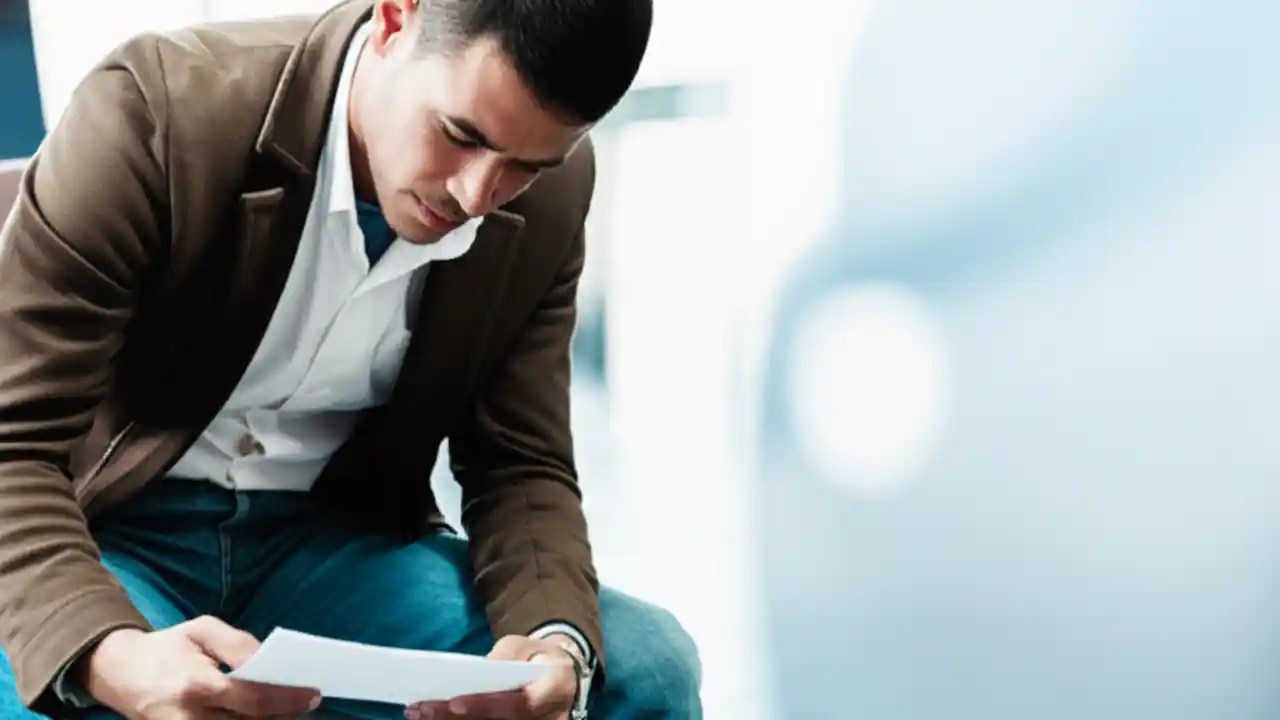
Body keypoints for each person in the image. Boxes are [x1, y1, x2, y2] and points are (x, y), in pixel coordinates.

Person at [0, 0, 702, 718]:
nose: (476, 195)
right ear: (396, 19)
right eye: (460, 135)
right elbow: (10, 447)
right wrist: (108, 653)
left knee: (643, 669)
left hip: (326, 545)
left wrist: (555, 646)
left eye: (526, 166)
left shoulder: (552, 196)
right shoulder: (154, 109)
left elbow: (517, 463)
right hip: (104, 532)